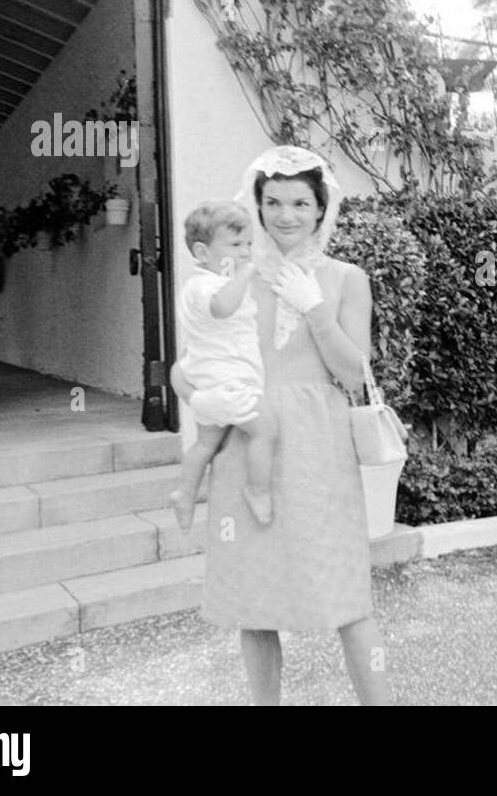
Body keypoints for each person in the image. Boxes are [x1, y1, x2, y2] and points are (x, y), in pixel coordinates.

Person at [169, 144, 390, 706]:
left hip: (321, 444)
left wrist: (314, 306)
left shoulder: (347, 278)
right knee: (254, 599)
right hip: (249, 442)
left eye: (299, 202)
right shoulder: (235, 277)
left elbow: (353, 372)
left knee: (346, 594)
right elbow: (191, 362)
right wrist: (190, 389)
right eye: (273, 202)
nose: (285, 215)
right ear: (258, 205)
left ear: (321, 209)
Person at [168, 200, 276, 529]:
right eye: (235, 245)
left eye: (248, 245)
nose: (245, 253)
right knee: (266, 431)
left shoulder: (208, 283)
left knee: (205, 444)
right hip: (229, 384)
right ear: (202, 253)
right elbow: (222, 308)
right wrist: (244, 276)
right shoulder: (205, 285)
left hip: (209, 383)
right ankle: (258, 490)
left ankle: (185, 493)